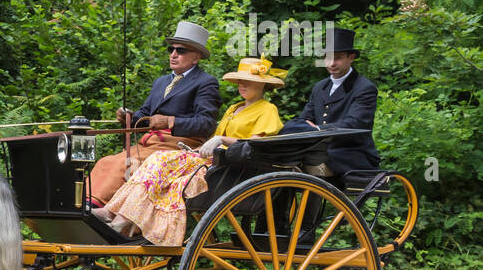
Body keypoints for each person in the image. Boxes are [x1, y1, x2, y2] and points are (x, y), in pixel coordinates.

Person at [94, 57, 287, 245]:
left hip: (234, 165)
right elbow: (213, 142)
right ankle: (115, 212)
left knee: (160, 161)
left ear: (263, 85)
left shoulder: (268, 109)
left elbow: (255, 145)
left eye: (248, 82)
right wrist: (198, 148)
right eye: (239, 81)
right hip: (214, 158)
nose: (242, 85)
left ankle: (122, 220)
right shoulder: (234, 108)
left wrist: (221, 140)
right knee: (157, 160)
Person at [88, 20, 221, 204]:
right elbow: (144, 115)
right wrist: (129, 117)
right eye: (171, 50)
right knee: (106, 161)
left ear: (196, 58)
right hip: (150, 144)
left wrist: (169, 122)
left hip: (180, 146)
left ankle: (97, 207)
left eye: (180, 51)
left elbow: (206, 124)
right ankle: (86, 205)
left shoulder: (206, 82)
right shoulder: (161, 82)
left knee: (124, 164)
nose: (173, 54)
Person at [282, 27, 380, 179]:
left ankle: (310, 201)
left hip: (350, 155)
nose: (331, 63)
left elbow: (354, 124)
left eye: (338, 58)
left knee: (309, 169)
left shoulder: (364, 88)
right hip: (319, 152)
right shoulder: (320, 87)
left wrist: (319, 129)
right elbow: (305, 118)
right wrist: (305, 128)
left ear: (351, 57)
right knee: (282, 164)